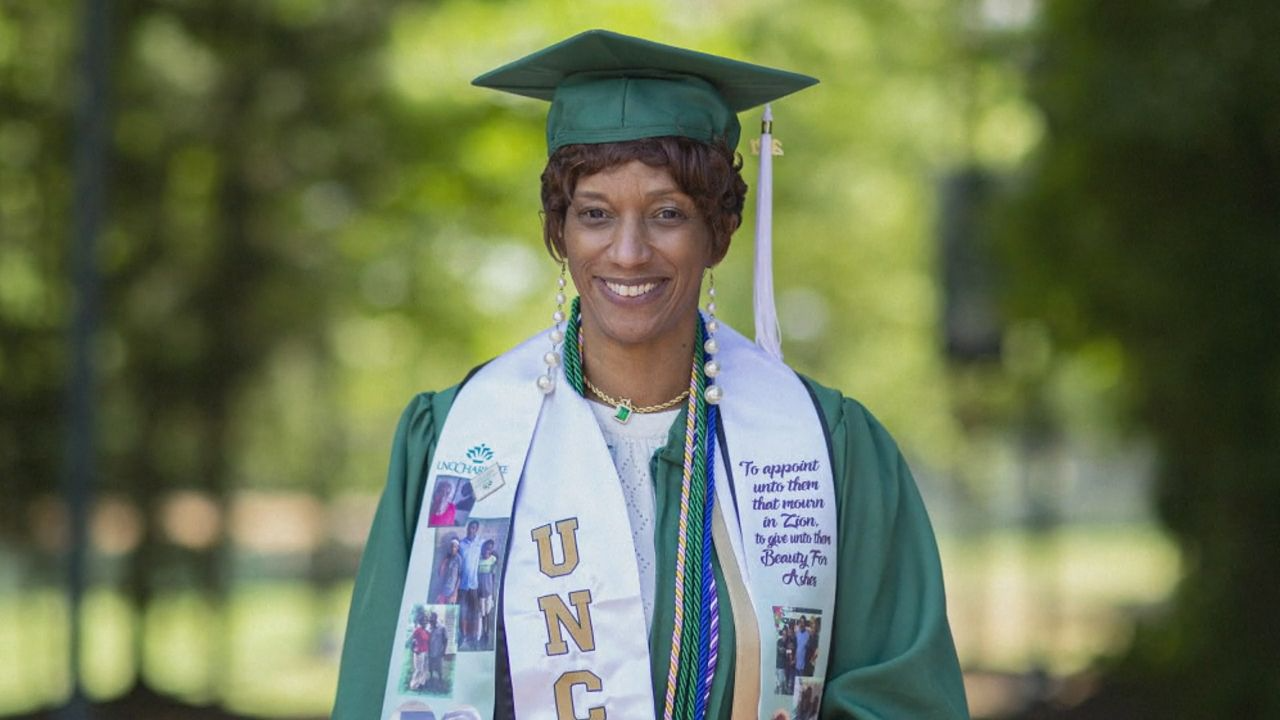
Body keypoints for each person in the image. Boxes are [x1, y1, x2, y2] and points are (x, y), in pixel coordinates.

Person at [334, 29, 967, 719]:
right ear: (560, 231)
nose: (628, 252)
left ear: (719, 232)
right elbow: (384, 690)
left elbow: (903, 698)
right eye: (595, 214)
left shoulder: (831, 448)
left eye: (668, 214)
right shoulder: (457, 440)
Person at [456, 520, 484, 648]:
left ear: (476, 529)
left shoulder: (480, 543)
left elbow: (490, 551)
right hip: (462, 585)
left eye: (473, 528)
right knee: (462, 610)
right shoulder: (461, 544)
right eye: (469, 527)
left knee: (475, 610)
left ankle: (474, 637)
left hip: (474, 584)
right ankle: (463, 636)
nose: (470, 530)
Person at [476, 539, 498, 648]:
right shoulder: (478, 560)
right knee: (481, 614)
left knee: (488, 614)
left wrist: (493, 594)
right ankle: (479, 636)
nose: (487, 551)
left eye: (490, 549)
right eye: (486, 548)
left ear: (491, 550)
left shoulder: (493, 560)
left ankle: (486, 634)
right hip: (480, 594)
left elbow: (494, 577)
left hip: (489, 592)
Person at [435, 538, 461, 605]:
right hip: (443, 590)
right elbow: (440, 572)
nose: (453, 548)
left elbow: (460, 576)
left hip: (451, 592)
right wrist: (444, 561)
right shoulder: (447, 558)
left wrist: (455, 592)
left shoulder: (459, 559)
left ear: (458, 547)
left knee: (449, 612)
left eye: (455, 547)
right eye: (451, 546)